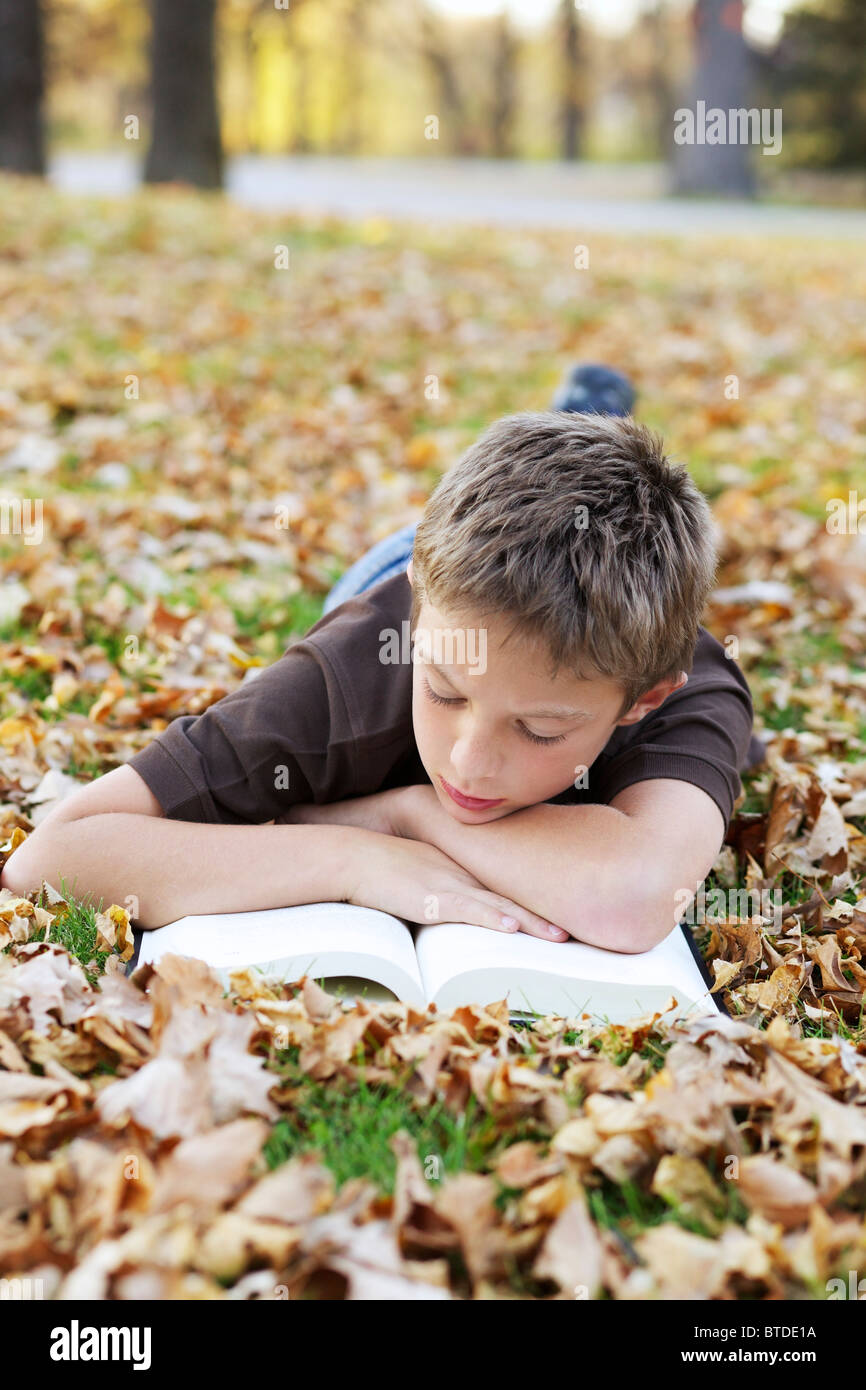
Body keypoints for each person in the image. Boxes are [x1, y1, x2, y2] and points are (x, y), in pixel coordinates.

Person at [2, 365, 764, 952]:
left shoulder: (691, 686)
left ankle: (590, 407)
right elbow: (54, 858)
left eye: (537, 731)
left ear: (642, 701)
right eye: (444, 692)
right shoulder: (357, 671)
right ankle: (584, 408)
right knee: (545, 482)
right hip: (395, 567)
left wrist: (410, 812)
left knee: (600, 474)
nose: (468, 764)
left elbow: (634, 899)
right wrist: (353, 858)